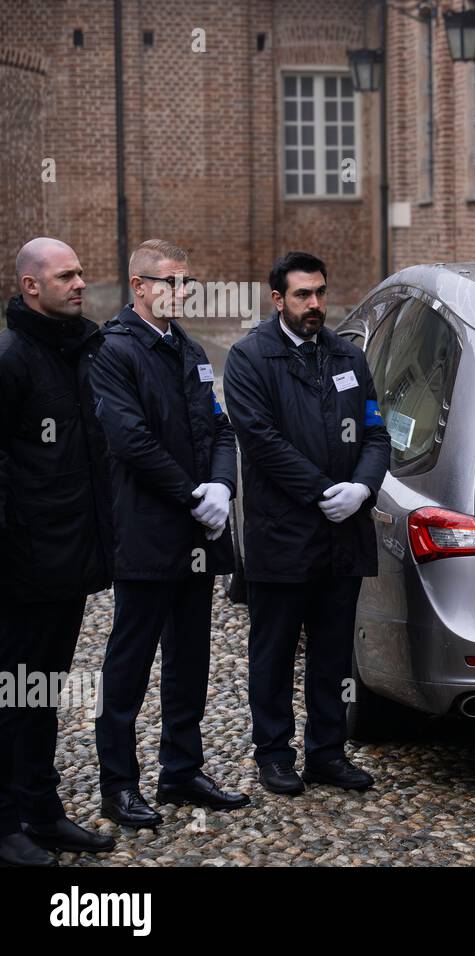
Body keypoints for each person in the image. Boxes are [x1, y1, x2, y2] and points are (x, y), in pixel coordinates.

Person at [91, 240, 250, 828]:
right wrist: (192, 495)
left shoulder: (189, 348)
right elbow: (129, 440)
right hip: (146, 532)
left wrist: (222, 487)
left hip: (197, 535)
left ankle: (181, 770)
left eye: (188, 282)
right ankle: (118, 784)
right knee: (129, 662)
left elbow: (220, 428)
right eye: (172, 282)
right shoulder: (114, 351)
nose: (183, 292)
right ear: (140, 286)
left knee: (190, 657)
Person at [223, 252, 390, 795]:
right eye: (302, 295)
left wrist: (362, 487)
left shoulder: (348, 356)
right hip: (282, 534)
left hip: (343, 536)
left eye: (319, 292)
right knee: (273, 653)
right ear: (278, 299)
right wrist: (322, 492)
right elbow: (261, 440)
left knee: (333, 653)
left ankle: (327, 753)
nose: (314, 303)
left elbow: (376, 433)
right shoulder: (251, 357)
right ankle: (274, 754)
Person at [0, 238, 116, 866]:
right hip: (22, 569)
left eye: (81, 272)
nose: (80, 283)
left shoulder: (79, 352)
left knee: (43, 694)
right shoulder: (12, 358)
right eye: (66, 275)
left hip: (66, 563)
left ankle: (41, 812)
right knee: (12, 696)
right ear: (30, 286)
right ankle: (5, 825)